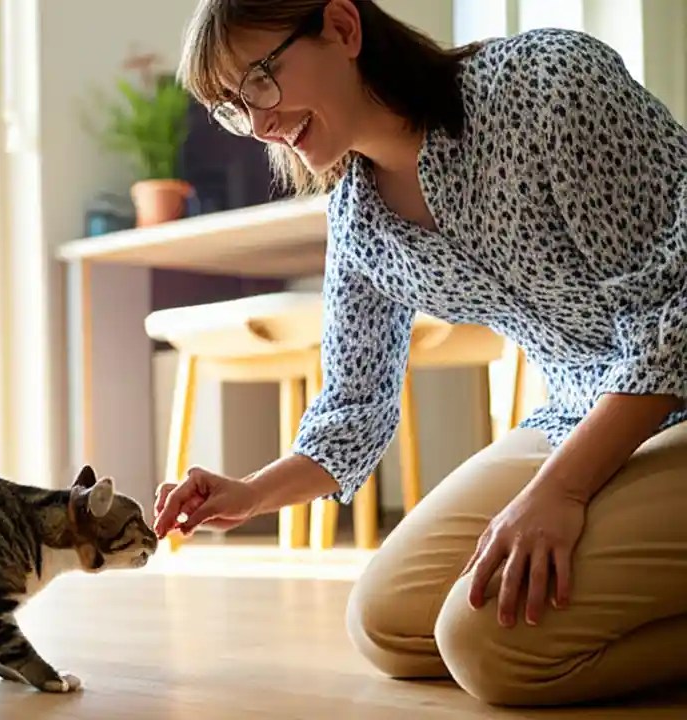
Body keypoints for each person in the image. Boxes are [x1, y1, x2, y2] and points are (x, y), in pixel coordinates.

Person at [153, 0, 687, 708]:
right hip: (580, 410)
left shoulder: (546, 84)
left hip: (670, 394)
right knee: (388, 623)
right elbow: (353, 405)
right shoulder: (359, 219)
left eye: (259, 80)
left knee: (488, 649)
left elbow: (672, 311)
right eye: (232, 107)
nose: (258, 124)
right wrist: (250, 493)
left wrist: (560, 490)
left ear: (341, 28)